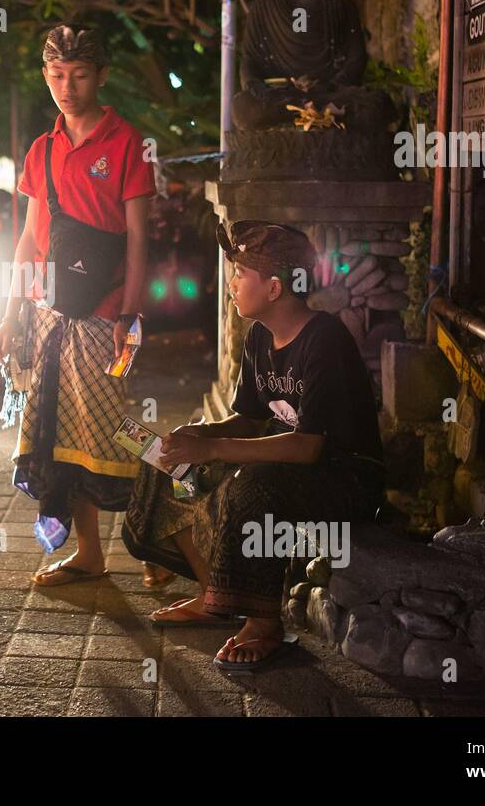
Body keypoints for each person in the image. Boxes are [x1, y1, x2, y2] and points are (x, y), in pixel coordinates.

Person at [123, 221, 385, 671]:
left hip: (346, 478)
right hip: (292, 466)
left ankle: (264, 624)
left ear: (275, 288)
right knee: (163, 464)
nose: (229, 284)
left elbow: (307, 448)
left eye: (240, 274)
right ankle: (213, 596)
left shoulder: (325, 340)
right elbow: (248, 418)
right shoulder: (260, 337)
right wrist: (196, 435)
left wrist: (215, 449)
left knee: (251, 484)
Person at [0, 24, 157, 587]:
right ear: (45, 76)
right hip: (48, 316)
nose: (67, 85)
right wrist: (10, 314)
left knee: (124, 430)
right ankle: (90, 554)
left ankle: (172, 530)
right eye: (57, 74)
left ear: (102, 76)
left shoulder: (126, 142)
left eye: (80, 74)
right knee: (60, 439)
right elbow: (30, 241)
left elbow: (138, 238)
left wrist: (131, 314)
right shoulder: (42, 149)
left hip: (105, 318)